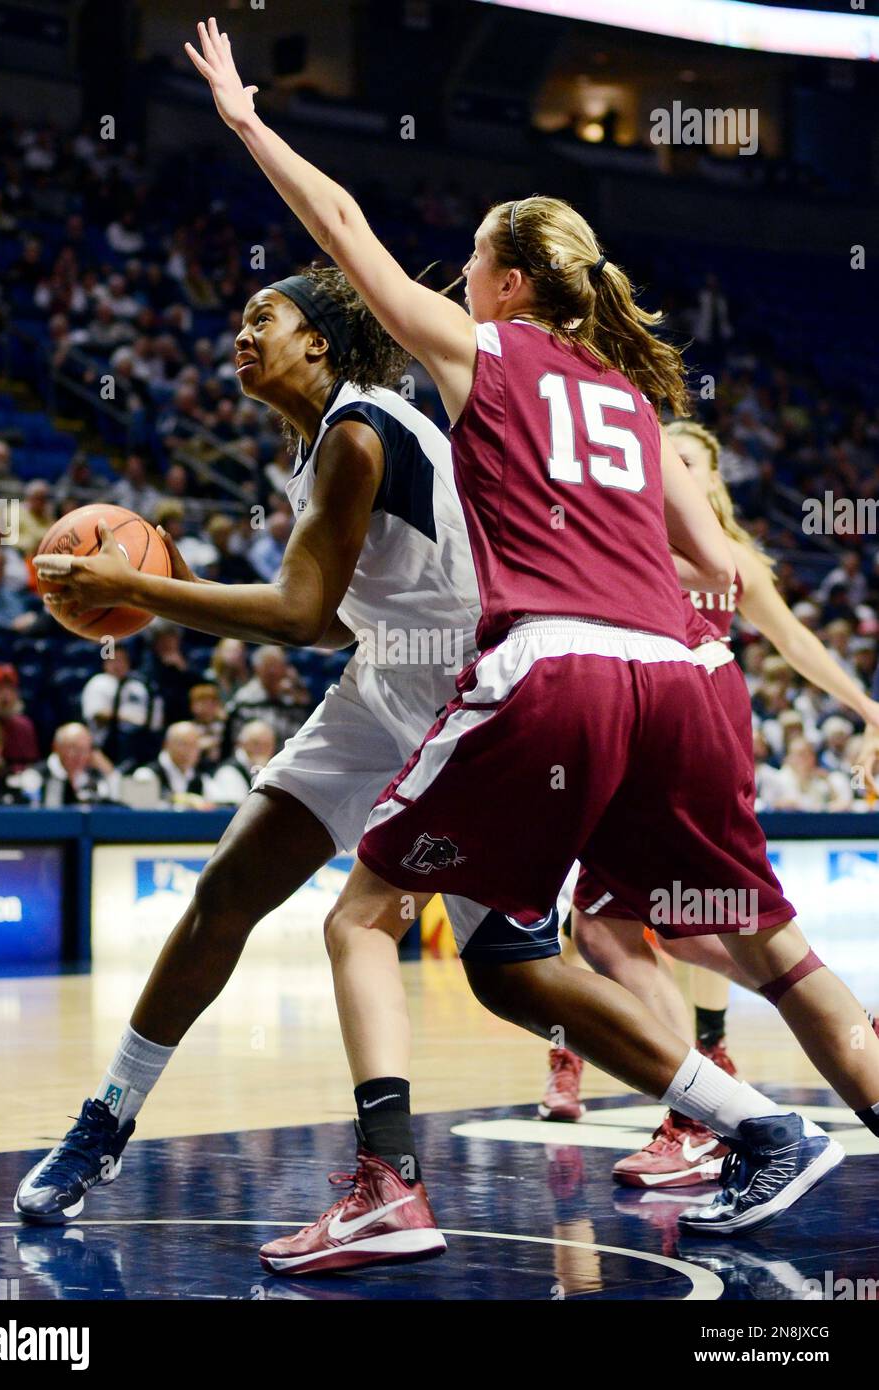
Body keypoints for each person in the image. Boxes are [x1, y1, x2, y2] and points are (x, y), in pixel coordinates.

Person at [174, 21, 879, 1269]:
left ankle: (392, 1189)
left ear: (503, 284)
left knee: (361, 920)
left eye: (469, 270)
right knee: (752, 947)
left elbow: (342, 227)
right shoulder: (633, 402)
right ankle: (771, 1122)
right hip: (677, 681)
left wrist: (244, 120)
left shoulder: (482, 352)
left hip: (554, 667)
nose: (452, 288)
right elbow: (715, 569)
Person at [22, 259, 780, 1264]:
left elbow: (297, 614)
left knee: (513, 976)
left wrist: (147, 588)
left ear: (321, 341)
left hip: (480, 697)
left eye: (266, 315)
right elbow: (339, 616)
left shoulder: (358, 428)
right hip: (387, 682)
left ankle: (753, 1123)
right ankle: (104, 1124)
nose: (240, 331)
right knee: (229, 887)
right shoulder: (314, 441)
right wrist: (167, 588)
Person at [558, 419, 879, 1187]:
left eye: (687, 462)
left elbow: (795, 643)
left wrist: (868, 710)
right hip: (651, 732)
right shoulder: (626, 540)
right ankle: (835, 1027)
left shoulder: (719, 561)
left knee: (618, 928)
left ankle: (696, 1114)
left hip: (688, 733)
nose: (668, 469)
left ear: (708, 484)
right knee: (660, 927)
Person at [19, 723, 120, 807]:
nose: (80, 756)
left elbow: (114, 805)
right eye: (74, 749)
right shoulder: (35, 775)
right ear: (56, 747)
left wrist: (110, 773)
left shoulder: (94, 776)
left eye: (85, 750)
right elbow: (30, 812)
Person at [205, 718, 276, 804]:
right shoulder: (228, 771)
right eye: (256, 743)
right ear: (242, 743)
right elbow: (240, 807)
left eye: (267, 744)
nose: (262, 749)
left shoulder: (272, 768)